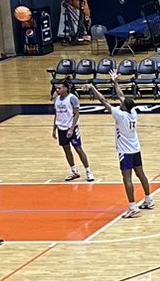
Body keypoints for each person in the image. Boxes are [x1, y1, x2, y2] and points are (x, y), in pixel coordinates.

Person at [92, 73, 154, 218]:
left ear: (124, 107)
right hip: (135, 148)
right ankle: (148, 199)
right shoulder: (133, 112)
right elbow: (121, 96)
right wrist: (115, 82)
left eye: (122, 102)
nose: (120, 101)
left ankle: (133, 207)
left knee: (127, 178)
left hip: (125, 151)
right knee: (141, 174)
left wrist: (92, 87)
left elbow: (103, 100)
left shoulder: (120, 115)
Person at [52, 82, 94, 182]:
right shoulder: (56, 100)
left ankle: (88, 171)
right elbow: (56, 114)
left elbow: (76, 114)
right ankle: (74, 171)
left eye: (59, 88)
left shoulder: (72, 98)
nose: (57, 90)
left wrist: (71, 129)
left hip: (72, 128)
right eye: (56, 88)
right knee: (66, 150)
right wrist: (54, 128)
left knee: (78, 149)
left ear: (66, 88)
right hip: (61, 128)